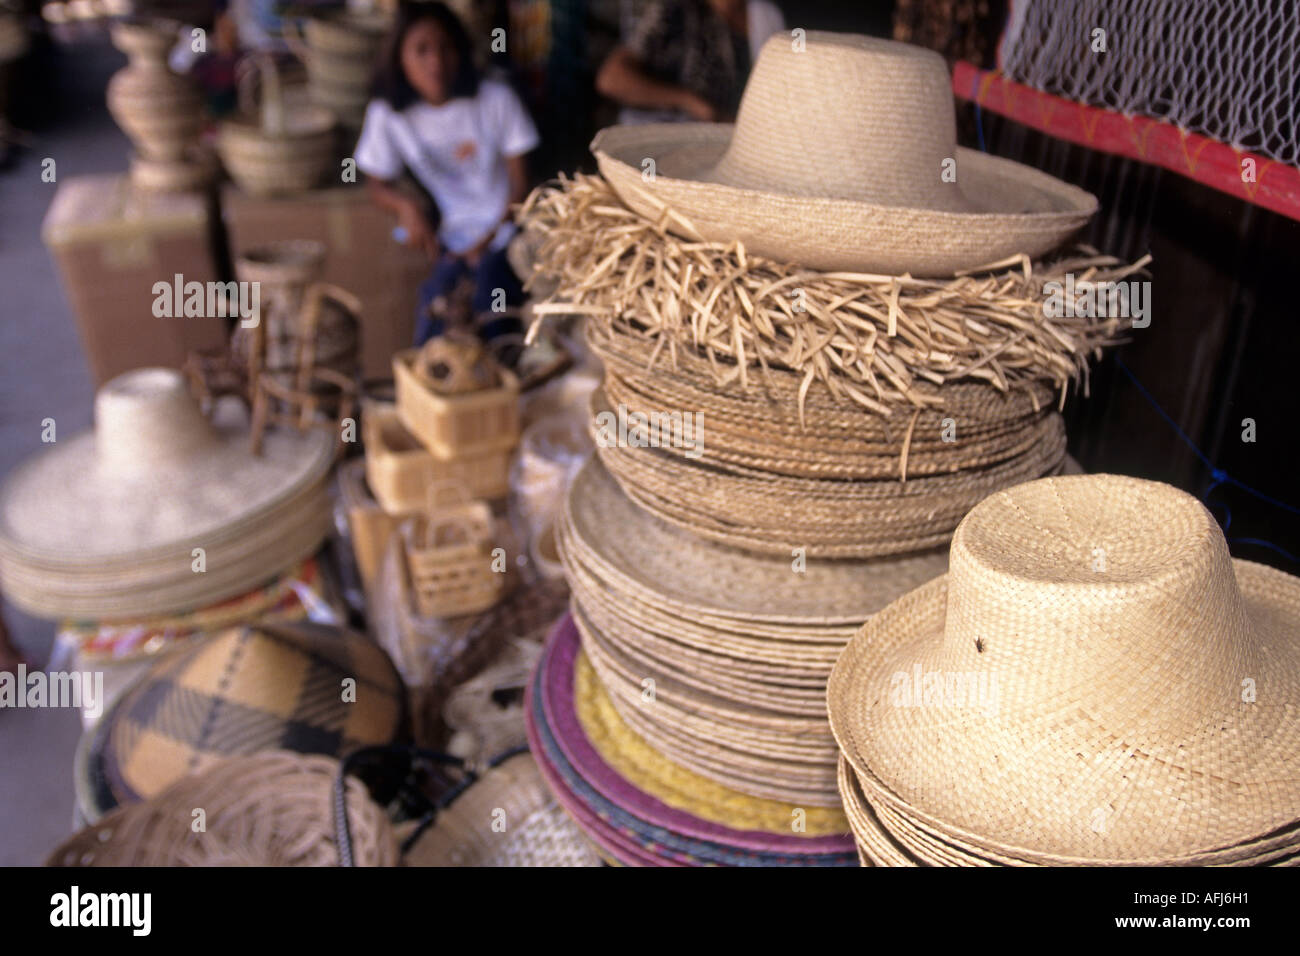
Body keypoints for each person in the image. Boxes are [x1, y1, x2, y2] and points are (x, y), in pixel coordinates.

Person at [355, 2, 539, 347]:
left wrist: (485, 241)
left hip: (506, 228)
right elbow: (375, 184)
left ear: (461, 52)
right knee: (437, 306)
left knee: (493, 299)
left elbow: (521, 185)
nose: (436, 63)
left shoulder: (495, 98)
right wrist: (404, 207)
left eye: (445, 48)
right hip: (454, 235)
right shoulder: (389, 113)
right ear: (400, 59)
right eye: (421, 51)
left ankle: (502, 381)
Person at [597, 0, 785, 124]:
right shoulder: (673, 9)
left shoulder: (766, 16)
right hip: (665, 138)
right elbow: (611, 79)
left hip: (732, 144)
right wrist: (690, 102)